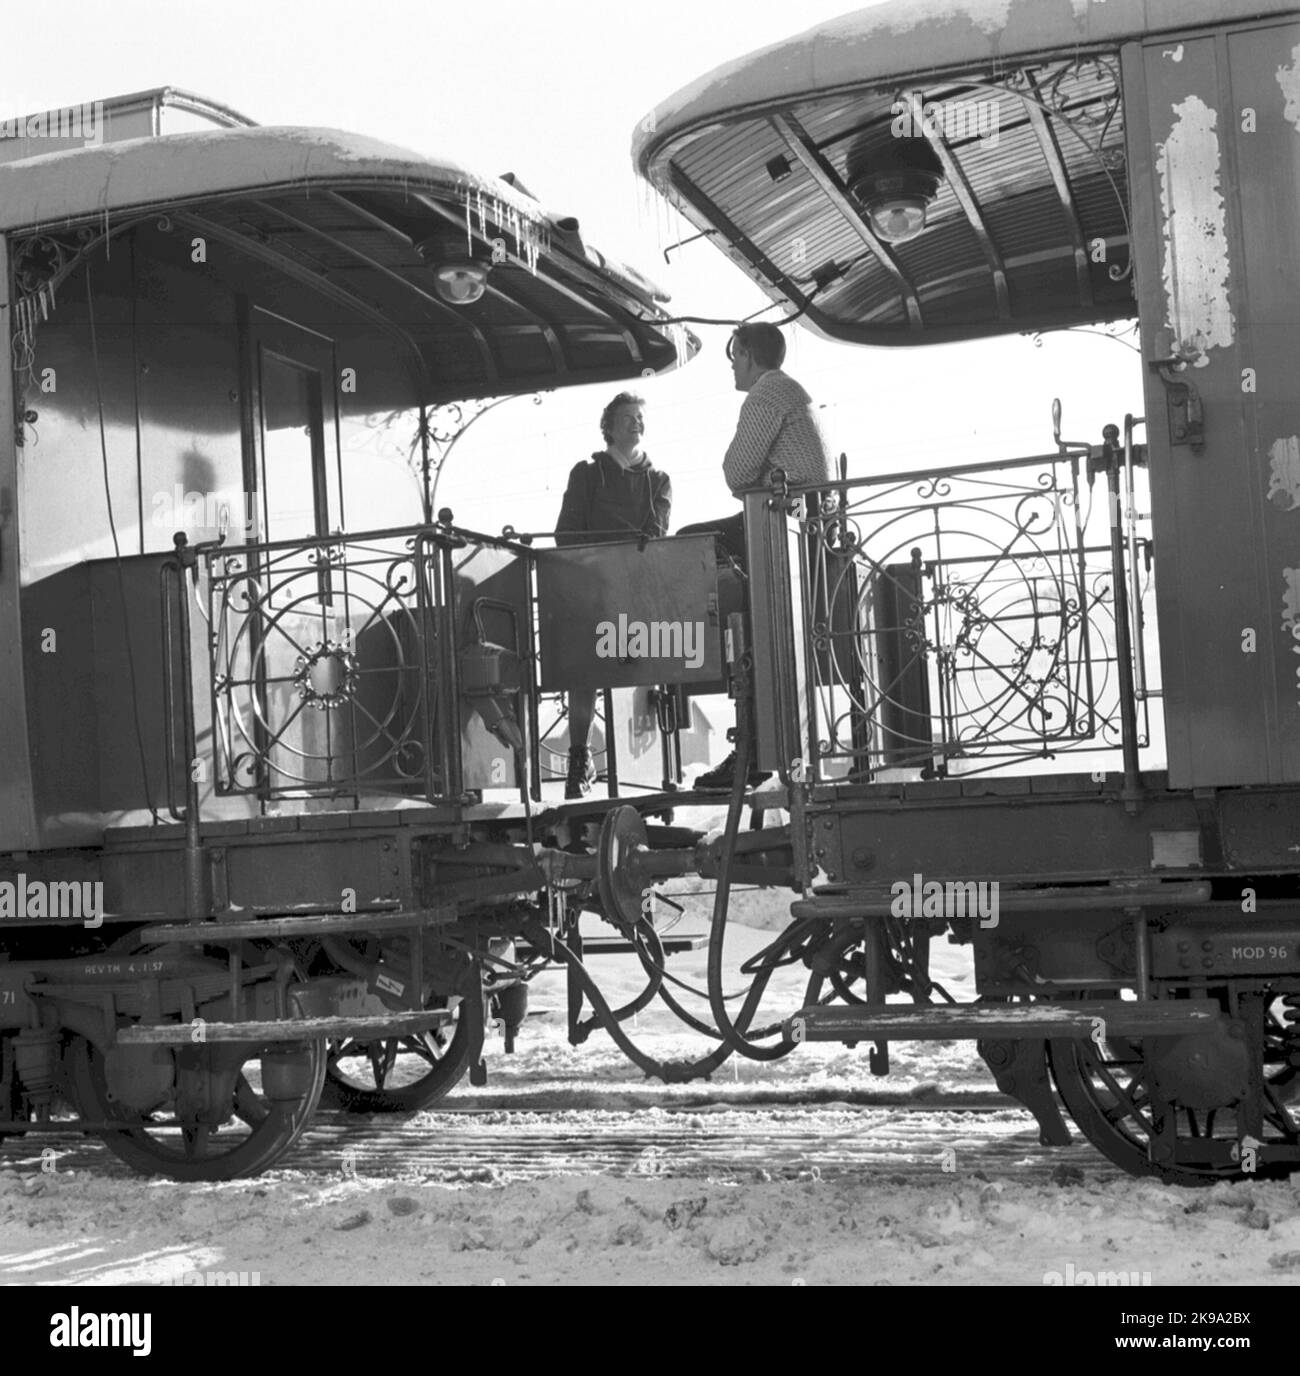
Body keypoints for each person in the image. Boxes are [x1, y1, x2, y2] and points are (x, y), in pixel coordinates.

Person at [680, 322, 831, 790]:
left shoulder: (766, 396)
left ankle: (716, 655)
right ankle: (749, 721)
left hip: (779, 530)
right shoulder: (792, 393)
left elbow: (737, 471)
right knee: (706, 545)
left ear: (746, 354)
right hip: (797, 526)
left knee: (690, 542)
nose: (731, 365)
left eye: (734, 355)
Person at [555, 391, 671, 798]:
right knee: (584, 668)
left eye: (640, 416)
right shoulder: (588, 474)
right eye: (627, 417)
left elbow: (655, 536)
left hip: (635, 591)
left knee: (661, 653)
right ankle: (579, 757)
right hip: (592, 589)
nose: (636, 423)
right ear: (609, 426)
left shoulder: (659, 481)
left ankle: (658, 767)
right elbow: (567, 532)